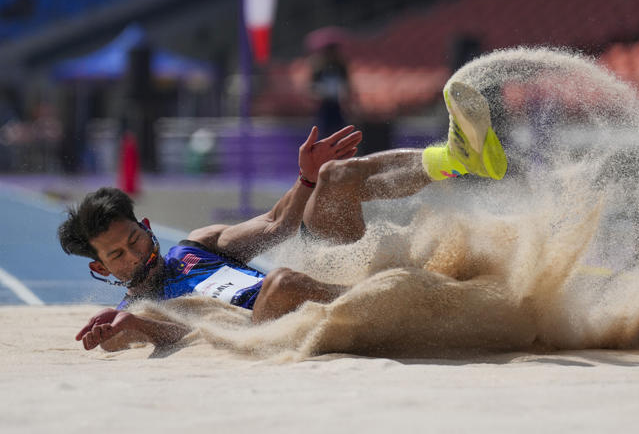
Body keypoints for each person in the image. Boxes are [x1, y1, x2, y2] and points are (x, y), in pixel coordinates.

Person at [59, 80, 508, 352]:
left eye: (134, 240)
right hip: (271, 327)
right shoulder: (134, 309)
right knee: (280, 283)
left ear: (147, 228)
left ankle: (458, 158)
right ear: (102, 268)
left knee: (336, 174)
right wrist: (129, 328)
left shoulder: (195, 248)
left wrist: (306, 180)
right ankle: (396, 300)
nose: (133, 255)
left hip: (315, 290)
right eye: (117, 255)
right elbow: (157, 335)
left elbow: (278, 224)